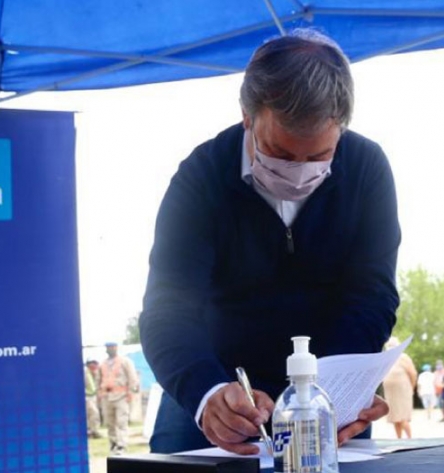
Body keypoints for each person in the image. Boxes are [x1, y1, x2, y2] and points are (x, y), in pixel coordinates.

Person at [139, 28, 400, 455]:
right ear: (247, 115)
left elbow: (372, 295)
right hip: (218, 384)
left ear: (341, 128)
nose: (297, 172)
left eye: (319, 157)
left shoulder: (367, 168)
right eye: (278, 151)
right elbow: (168, 306)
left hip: (325, 398)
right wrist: (207, 393)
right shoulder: (201, 177)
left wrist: (341, 391)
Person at [98, 342, 140, 455]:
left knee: (122, 422)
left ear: (116, 347)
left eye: (112, 346)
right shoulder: (103, 364)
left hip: (121, 397)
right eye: (108, 347)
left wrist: (131, 392)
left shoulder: (125, 361)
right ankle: (113, 444)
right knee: (110, 423)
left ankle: (122, 446)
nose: (110, 349)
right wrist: (100, 394)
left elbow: (132, 377)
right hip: (107, 397)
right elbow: (99, 379)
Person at [381, 337, 418, 439]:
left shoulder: (403, 357)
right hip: (390, 391)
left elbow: (412, 373)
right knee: (395, 416)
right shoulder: (386, 357)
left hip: (403, 389)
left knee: (402, 416)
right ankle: (399, 439)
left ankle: (409, 439)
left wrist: (412, 386)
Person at [85, 359, 103, 439]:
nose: (95, 366)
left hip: (92, 396)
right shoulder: (85, 372)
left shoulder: (92, 373)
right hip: (87, 396)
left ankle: (92, 431)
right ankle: (93, 431)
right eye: (94, 364)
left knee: (92, 414)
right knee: (93, 413)